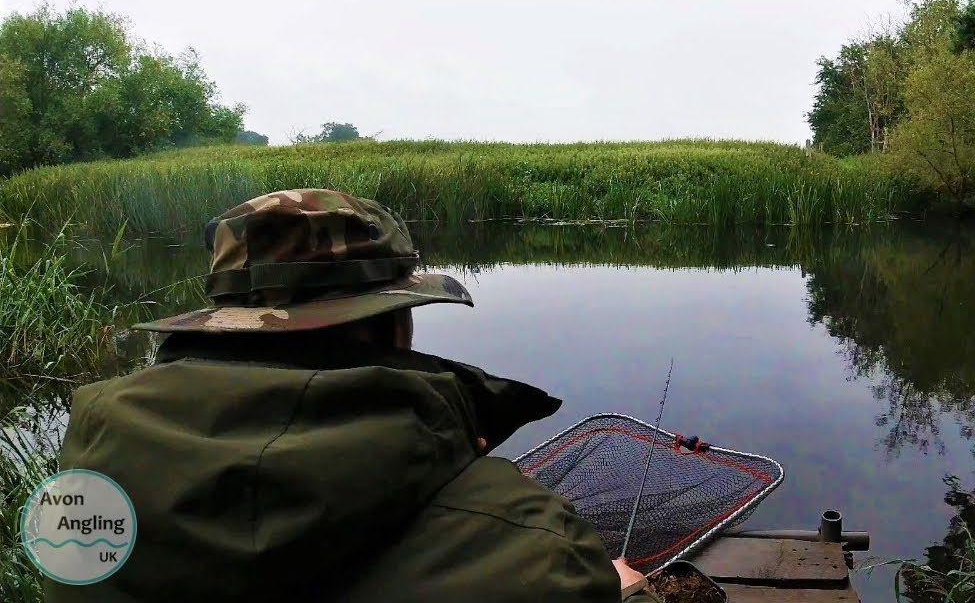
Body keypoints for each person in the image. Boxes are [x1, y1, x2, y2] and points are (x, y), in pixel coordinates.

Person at [48, 189, 655, 603]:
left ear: (223, 321)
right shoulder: (532, 546)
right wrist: (620, 587)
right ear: (393, 325)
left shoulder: (80, 489)